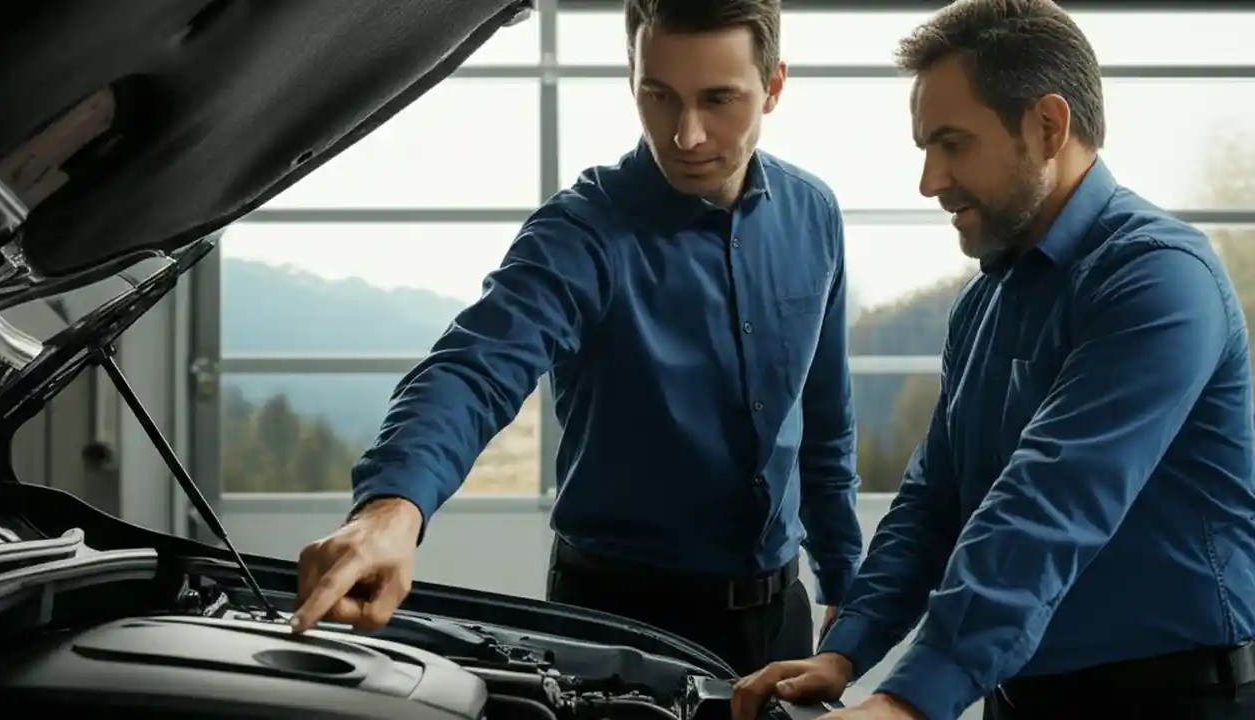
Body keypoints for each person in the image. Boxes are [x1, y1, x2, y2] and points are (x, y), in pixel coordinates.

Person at [288, 0, 865, 677]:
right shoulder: (580, 232)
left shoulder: (815, 214)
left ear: (773, 86)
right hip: (618, 623)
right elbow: (473, 369)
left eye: (718, 99)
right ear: (631, 77)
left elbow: (825, 419)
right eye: (659, 95)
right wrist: (392, 509)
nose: (686, 135)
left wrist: (844, 576)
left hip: (779, 618)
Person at [729, 1, 1255, 719]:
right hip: (1021, 695)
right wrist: (845, 650)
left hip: (1177, 699)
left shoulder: (1159, 280)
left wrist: (910, 699)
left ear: (1048, 126)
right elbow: (934, 502)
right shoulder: (984, 303)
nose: (929, 180)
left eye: (952, 144)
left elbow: (1050, 502)